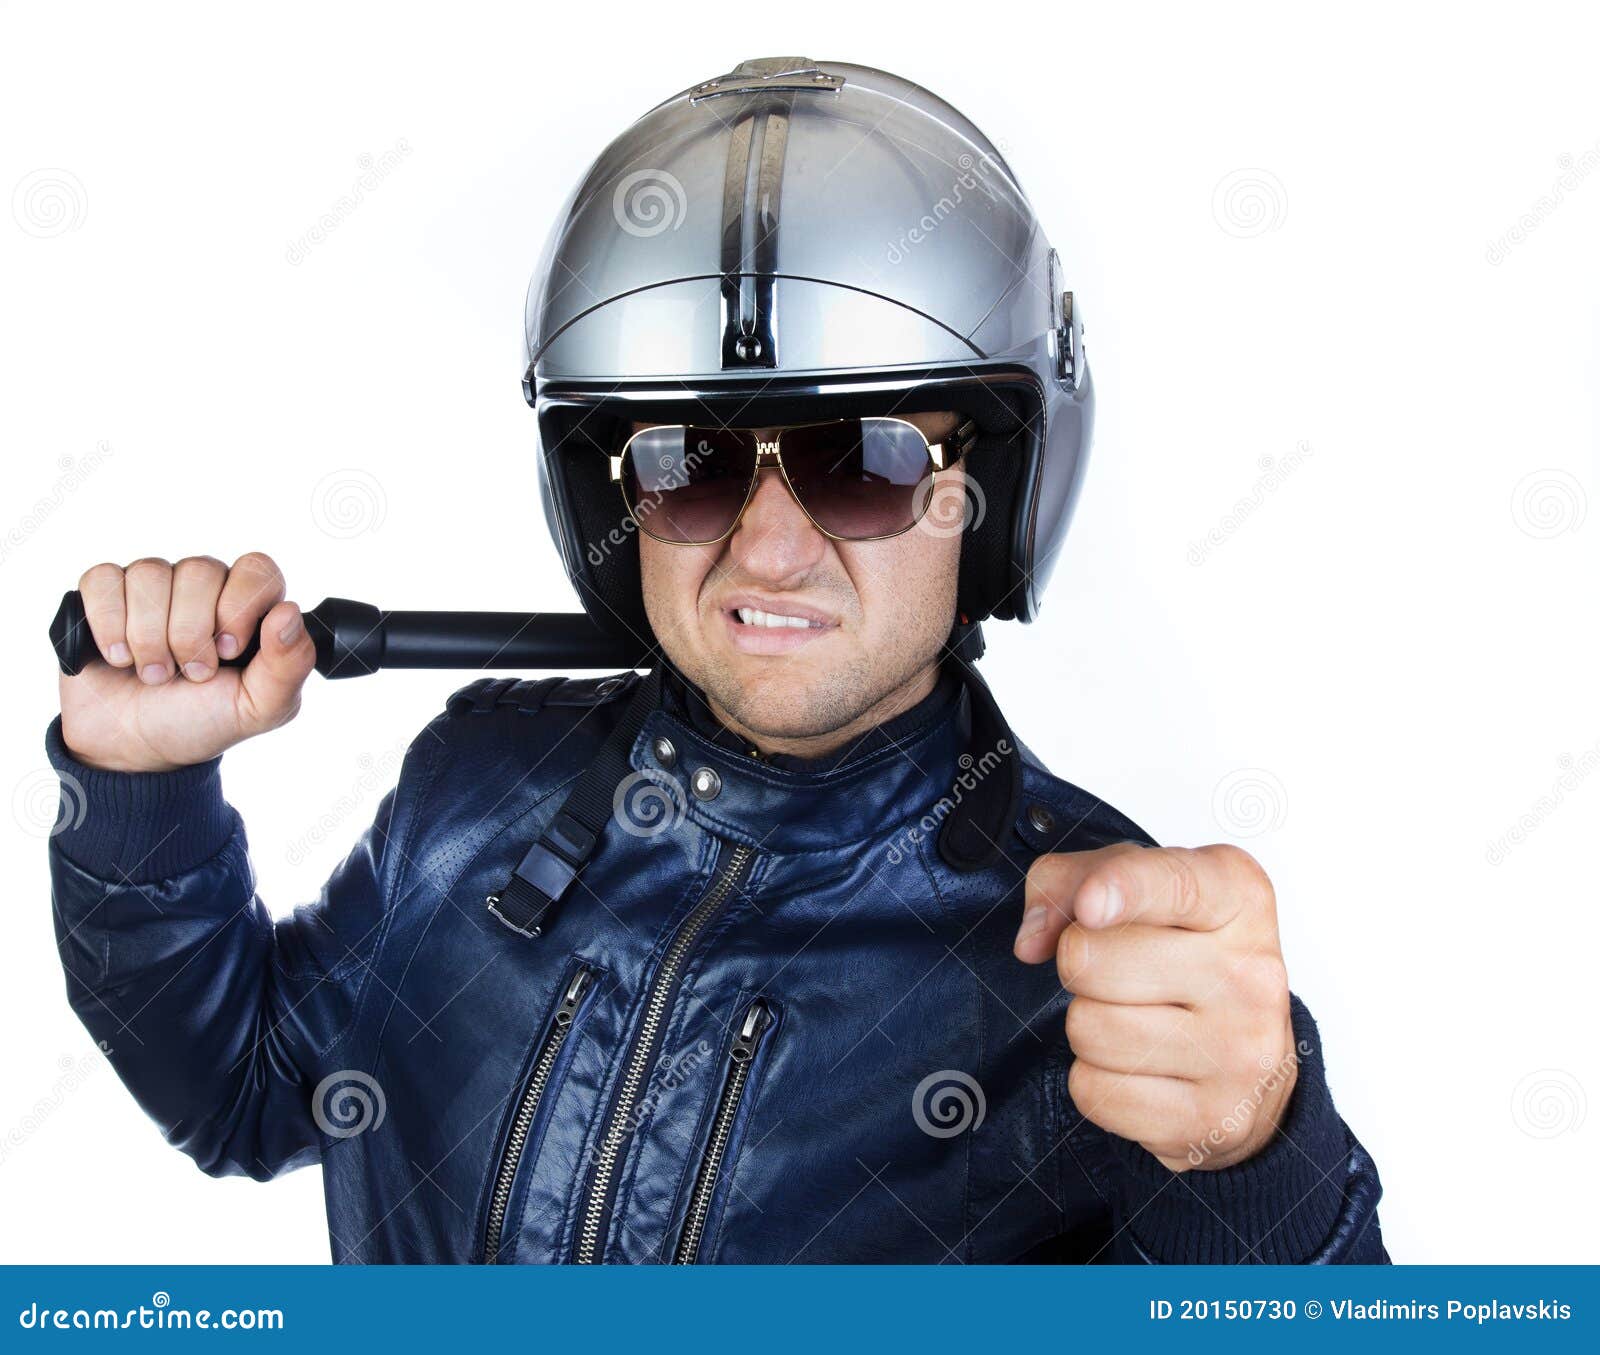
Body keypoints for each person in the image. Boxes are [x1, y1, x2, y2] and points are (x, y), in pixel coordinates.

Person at [45, 57, 1386, 1264]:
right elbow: (243, 1093)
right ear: (605, 509)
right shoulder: (474, 787)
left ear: (988, 497)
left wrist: (1260, 1151)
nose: (770, 552)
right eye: (686, 467)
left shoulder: (1097, 960)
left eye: (862, 461)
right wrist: (134, 791)